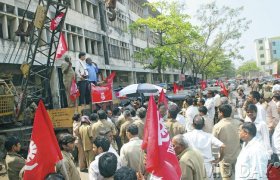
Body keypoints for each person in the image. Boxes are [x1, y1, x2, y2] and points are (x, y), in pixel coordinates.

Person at [184, 115, 225, 180]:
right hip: (206, 165)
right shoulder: (209, 136)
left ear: (192, 125)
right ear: (204, 125)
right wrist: (219, 159)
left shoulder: (186, 136)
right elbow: (222, 146)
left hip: (192, 163)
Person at [213, 104, 241, 180]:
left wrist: (216, 158)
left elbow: (214, 144)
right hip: (238, 156)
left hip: (225, 158)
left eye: (218, 112)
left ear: (221, 113)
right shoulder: (238, 123)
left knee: (227, 178)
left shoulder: (217, 126)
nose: (218, 113)